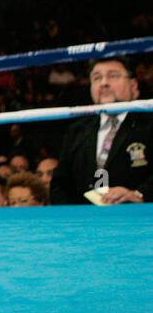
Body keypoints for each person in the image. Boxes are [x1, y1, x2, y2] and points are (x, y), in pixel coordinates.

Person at [50, 58, 150, 205]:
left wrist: (138, 195)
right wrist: (72, 221)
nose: (104, 83)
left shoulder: (149, 124)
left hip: (140, 219)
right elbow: (60, 184)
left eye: (113, 76)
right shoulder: (77, 130)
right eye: (97, 78)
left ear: (133, 86)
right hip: (87, 222)